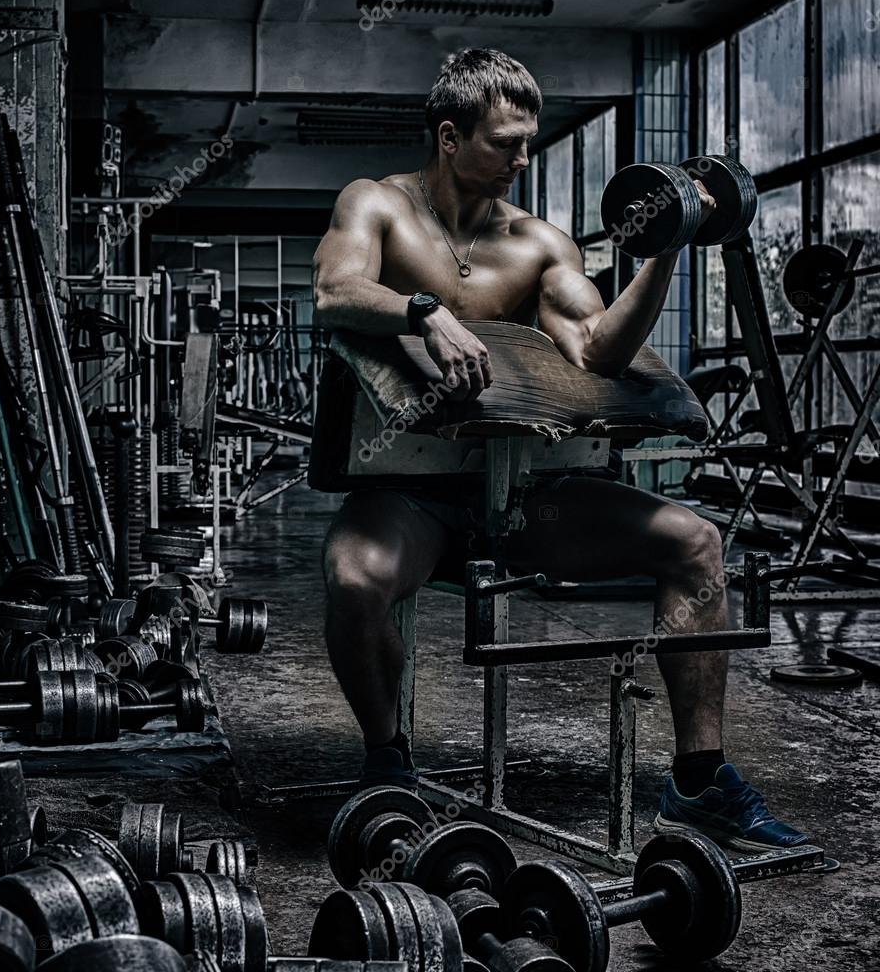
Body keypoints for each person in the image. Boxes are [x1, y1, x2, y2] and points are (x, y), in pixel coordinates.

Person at [312, 47, 806, 852]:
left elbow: (598, 350)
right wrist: (426, 312)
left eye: (528, 140)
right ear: (448, 135)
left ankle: (699, 781)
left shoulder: (541, 244)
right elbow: (336, 290)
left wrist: (668, 245)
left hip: (530, 498)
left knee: (696, 544)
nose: (522, 157)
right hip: (414, 496)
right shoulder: (377, 206)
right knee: (352, 575)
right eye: (505, 141)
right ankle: (387, 763)